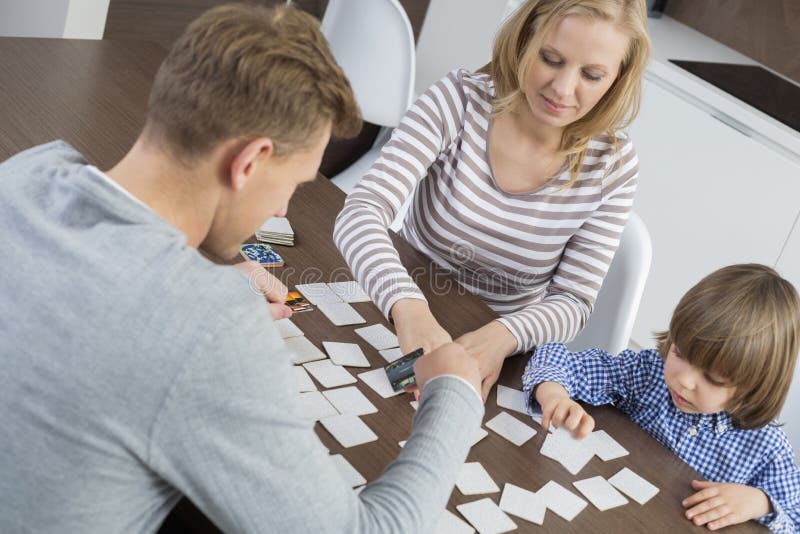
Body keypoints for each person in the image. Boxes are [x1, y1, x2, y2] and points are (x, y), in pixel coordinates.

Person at [0, 4, 485, 533]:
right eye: (294, 184)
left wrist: (193, 275)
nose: (281, 212)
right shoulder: (209, 326)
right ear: (249, 162)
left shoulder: (28, 173)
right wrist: (453, 396)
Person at [333, 0, 652, 400]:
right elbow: (361, 212)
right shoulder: (459, 100)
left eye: (591, 74)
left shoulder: (614, 166)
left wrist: (501, 337)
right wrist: (408, 306)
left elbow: (573, 301)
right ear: (523, 40)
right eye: (551, 59)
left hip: (501, 341)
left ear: (618, 79)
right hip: (401, 302)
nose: (563, 89)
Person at [522, 264, 800, 532]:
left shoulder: (766, 448)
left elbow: (794, 517)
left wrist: (761, 503)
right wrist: (554, 394)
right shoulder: (648, 373)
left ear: (753, 388)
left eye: (713, 379)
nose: (685, 380)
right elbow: (556, 357)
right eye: (680, 353)